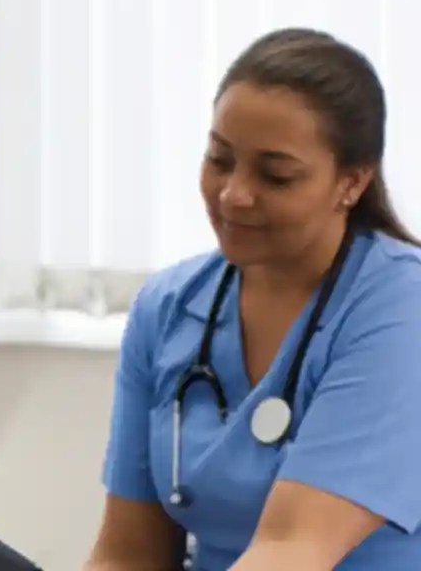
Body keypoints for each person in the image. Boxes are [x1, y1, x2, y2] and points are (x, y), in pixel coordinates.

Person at [85, 28, 421, 570]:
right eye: (219, 160)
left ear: (352, 183)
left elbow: (293, 549)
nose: (233, 194)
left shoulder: (401, 310)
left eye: (276, 175)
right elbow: (128, 554)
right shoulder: (167, 307)